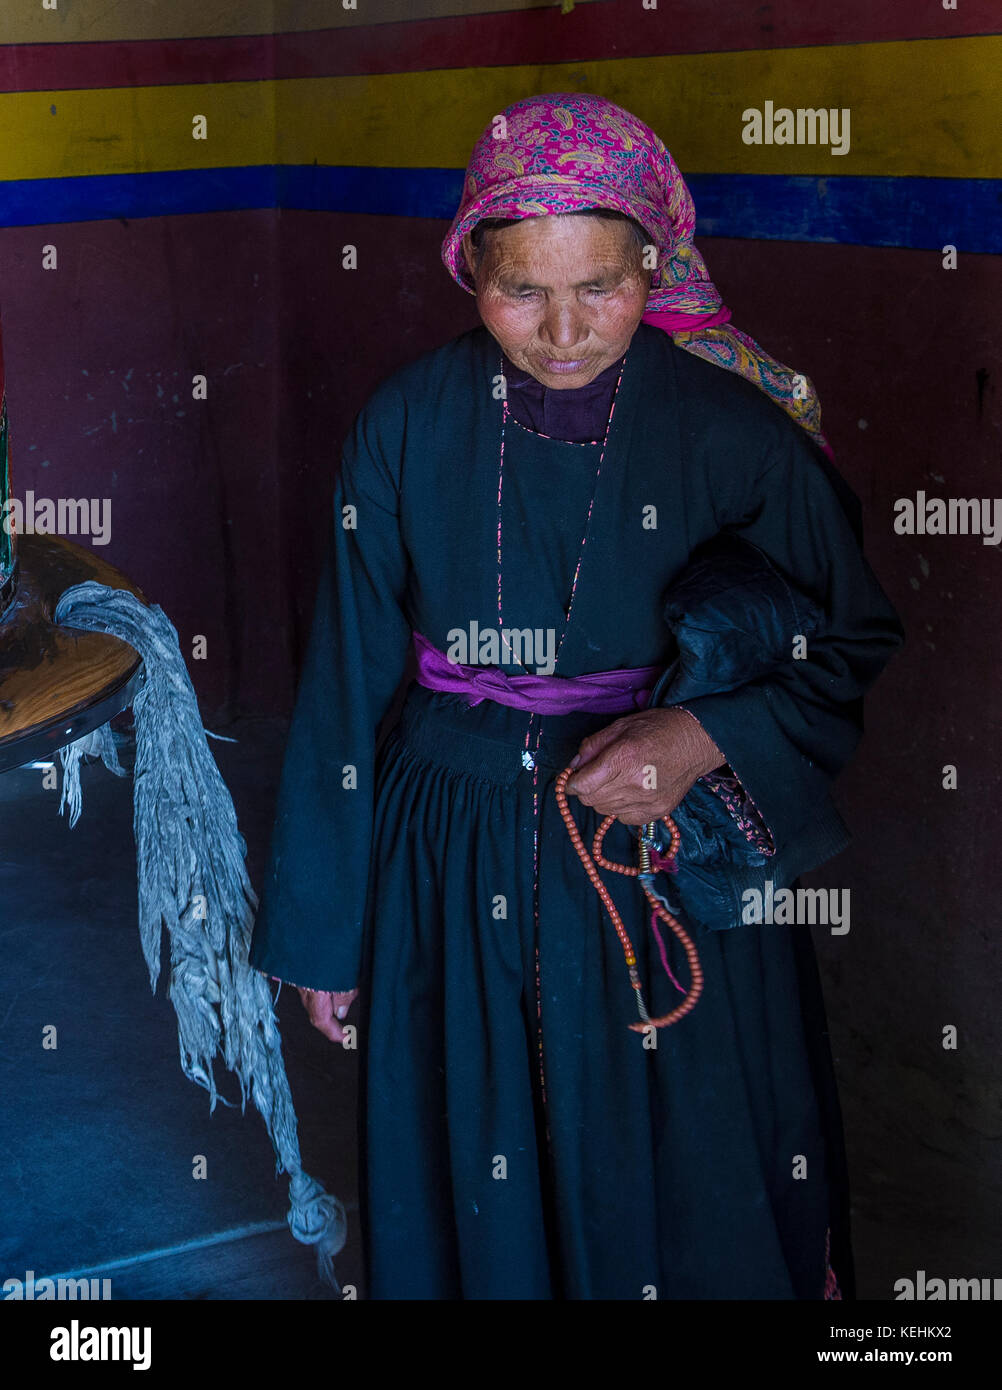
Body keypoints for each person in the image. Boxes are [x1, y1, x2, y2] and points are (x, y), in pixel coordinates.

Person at [249, 93, 904, 1300]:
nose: (561, 330)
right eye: (519, 291)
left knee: (682, 1159)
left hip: (651, 854)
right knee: (477, 1171)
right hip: (447, 845)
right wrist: (323, 932)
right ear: (467, 271)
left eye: (600, 286)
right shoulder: (402, 424)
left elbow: (849, 636)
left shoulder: (735, 431)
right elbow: (343, 681)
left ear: (655, 261)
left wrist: (703, 733)